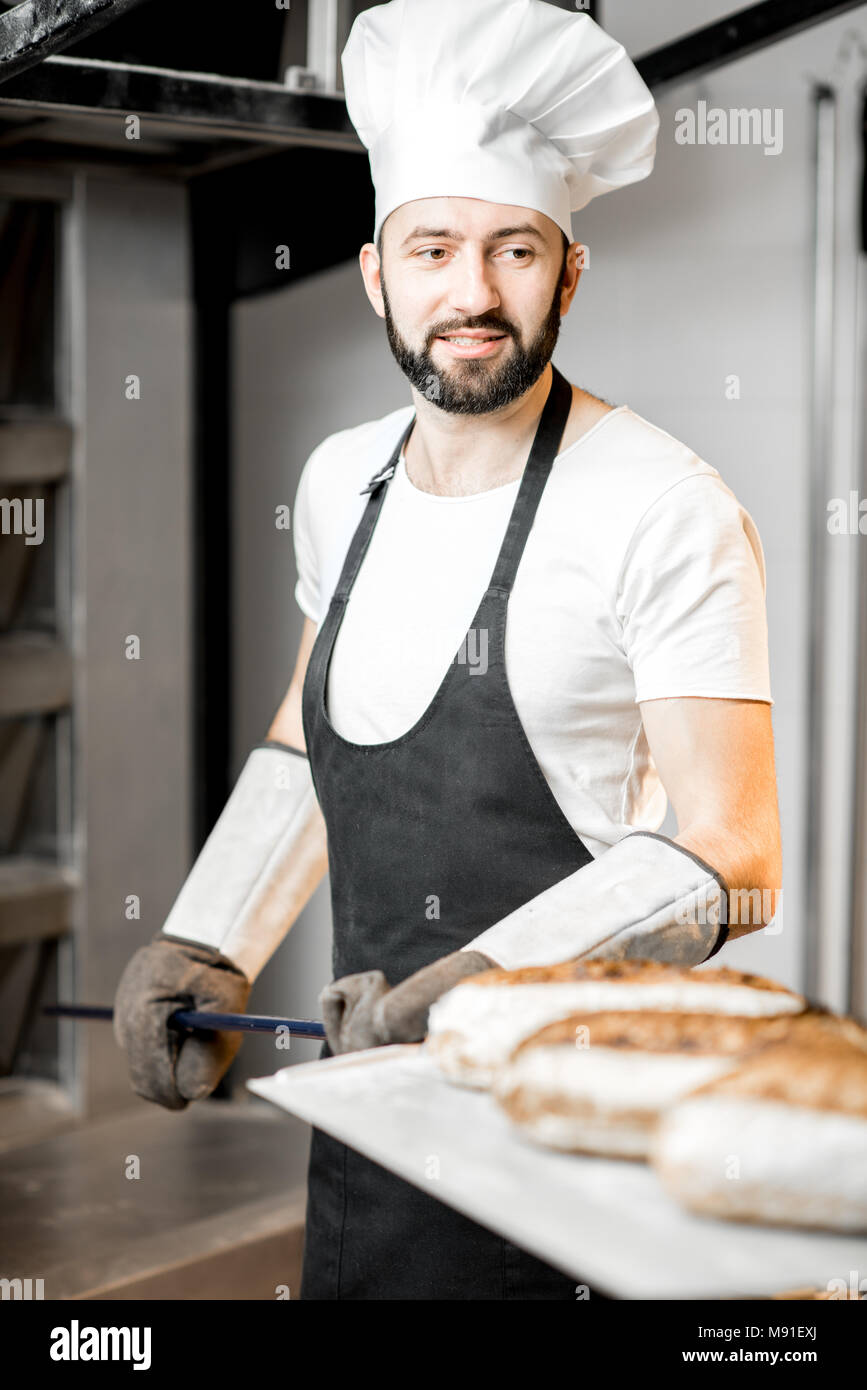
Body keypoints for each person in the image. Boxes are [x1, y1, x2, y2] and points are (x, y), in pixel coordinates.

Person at [114, 0, 781, 1300]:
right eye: (433, 249)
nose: (471, 294)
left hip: (576, 1153)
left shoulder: (664, 504)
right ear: (378, 273)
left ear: (569, 270)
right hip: (373, 1140)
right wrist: (208, 936)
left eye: (514, 250)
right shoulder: (338, 482)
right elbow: (314, 735)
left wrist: (489, 979)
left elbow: (736, 847)